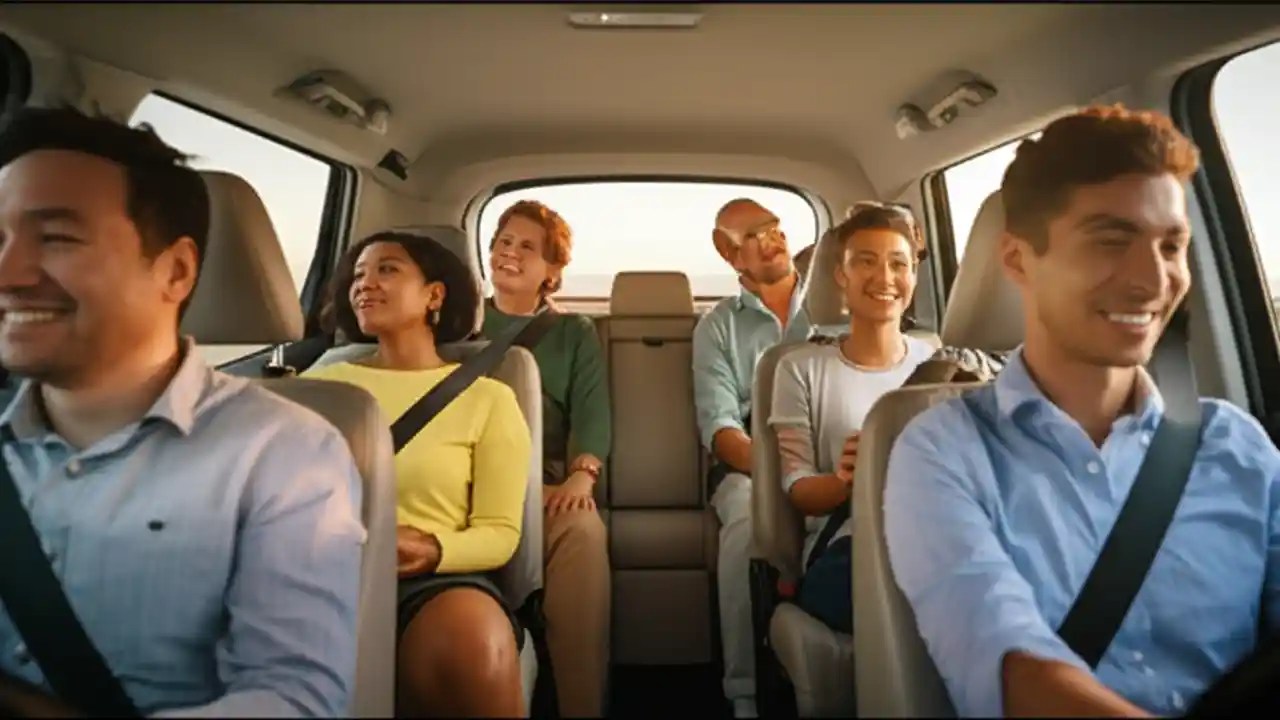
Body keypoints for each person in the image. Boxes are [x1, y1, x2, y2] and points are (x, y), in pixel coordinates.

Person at [884, 105, 1280, 718]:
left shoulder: (1238, 446)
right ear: (1017, 260)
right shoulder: (943, 451)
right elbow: (1012, 666)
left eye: (1171, 246)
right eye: (1111, 241)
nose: (1153, 281)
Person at [0, 106, 365, 716]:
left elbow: (294, 701)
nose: (7, 272)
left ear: (176, 270)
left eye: (57, 238)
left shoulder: (282, 451)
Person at [305, 232, 531, 717]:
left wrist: (430, 549)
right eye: (358, 275)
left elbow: (500, 533)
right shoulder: (319, 386)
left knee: (475, 644)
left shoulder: (489, 400)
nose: (365, 283)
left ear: (435, 294)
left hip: (432, 581)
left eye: (387, 269)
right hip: (318, 571)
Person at [769, 203, 935, 635]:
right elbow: (798, 488)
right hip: (848, 545)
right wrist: (845, 479)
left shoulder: (941, 363)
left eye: (899, 264)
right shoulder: (799, 368)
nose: (884, 278)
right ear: (841, 275)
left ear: (914, 276)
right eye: (866, 262)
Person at [482, 199, 611, 718]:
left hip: (543, 487)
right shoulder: (449, 323)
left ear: (553, 270)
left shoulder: (572, 333)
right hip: (464, 486)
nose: (509, 253)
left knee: (582, 531)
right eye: (503, 242)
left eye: (527, 247)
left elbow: (593, 412)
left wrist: (582, 476)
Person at [693, 198, 812, 718]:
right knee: (746, 519)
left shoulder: (833, 309)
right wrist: (782, 473)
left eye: (776, 227)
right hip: (751, 465)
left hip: (833, 454)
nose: (773, 239)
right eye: (755, 234)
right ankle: (745, 694)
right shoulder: (717, 326)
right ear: (730, 254)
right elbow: (720, 430)